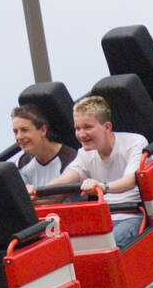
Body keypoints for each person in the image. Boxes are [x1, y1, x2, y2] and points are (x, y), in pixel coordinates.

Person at [42, 96, 147, 249]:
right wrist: (37, 192)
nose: (81, 134)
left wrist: (102, 186)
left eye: (88, 127)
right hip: (101, 219)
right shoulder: (85, 154)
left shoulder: (135, 143)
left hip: (131, 214)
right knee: (63, 250)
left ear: (107, 127)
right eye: (78, 128)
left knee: (106, 247)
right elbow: (64, 180)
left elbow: (130, 180)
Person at [7, 104, 78, 188]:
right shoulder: (21, 163)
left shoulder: (71, 159)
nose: (19, 137)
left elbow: (52, 199)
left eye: (24, 130)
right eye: (15, 132)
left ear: (43, 130)